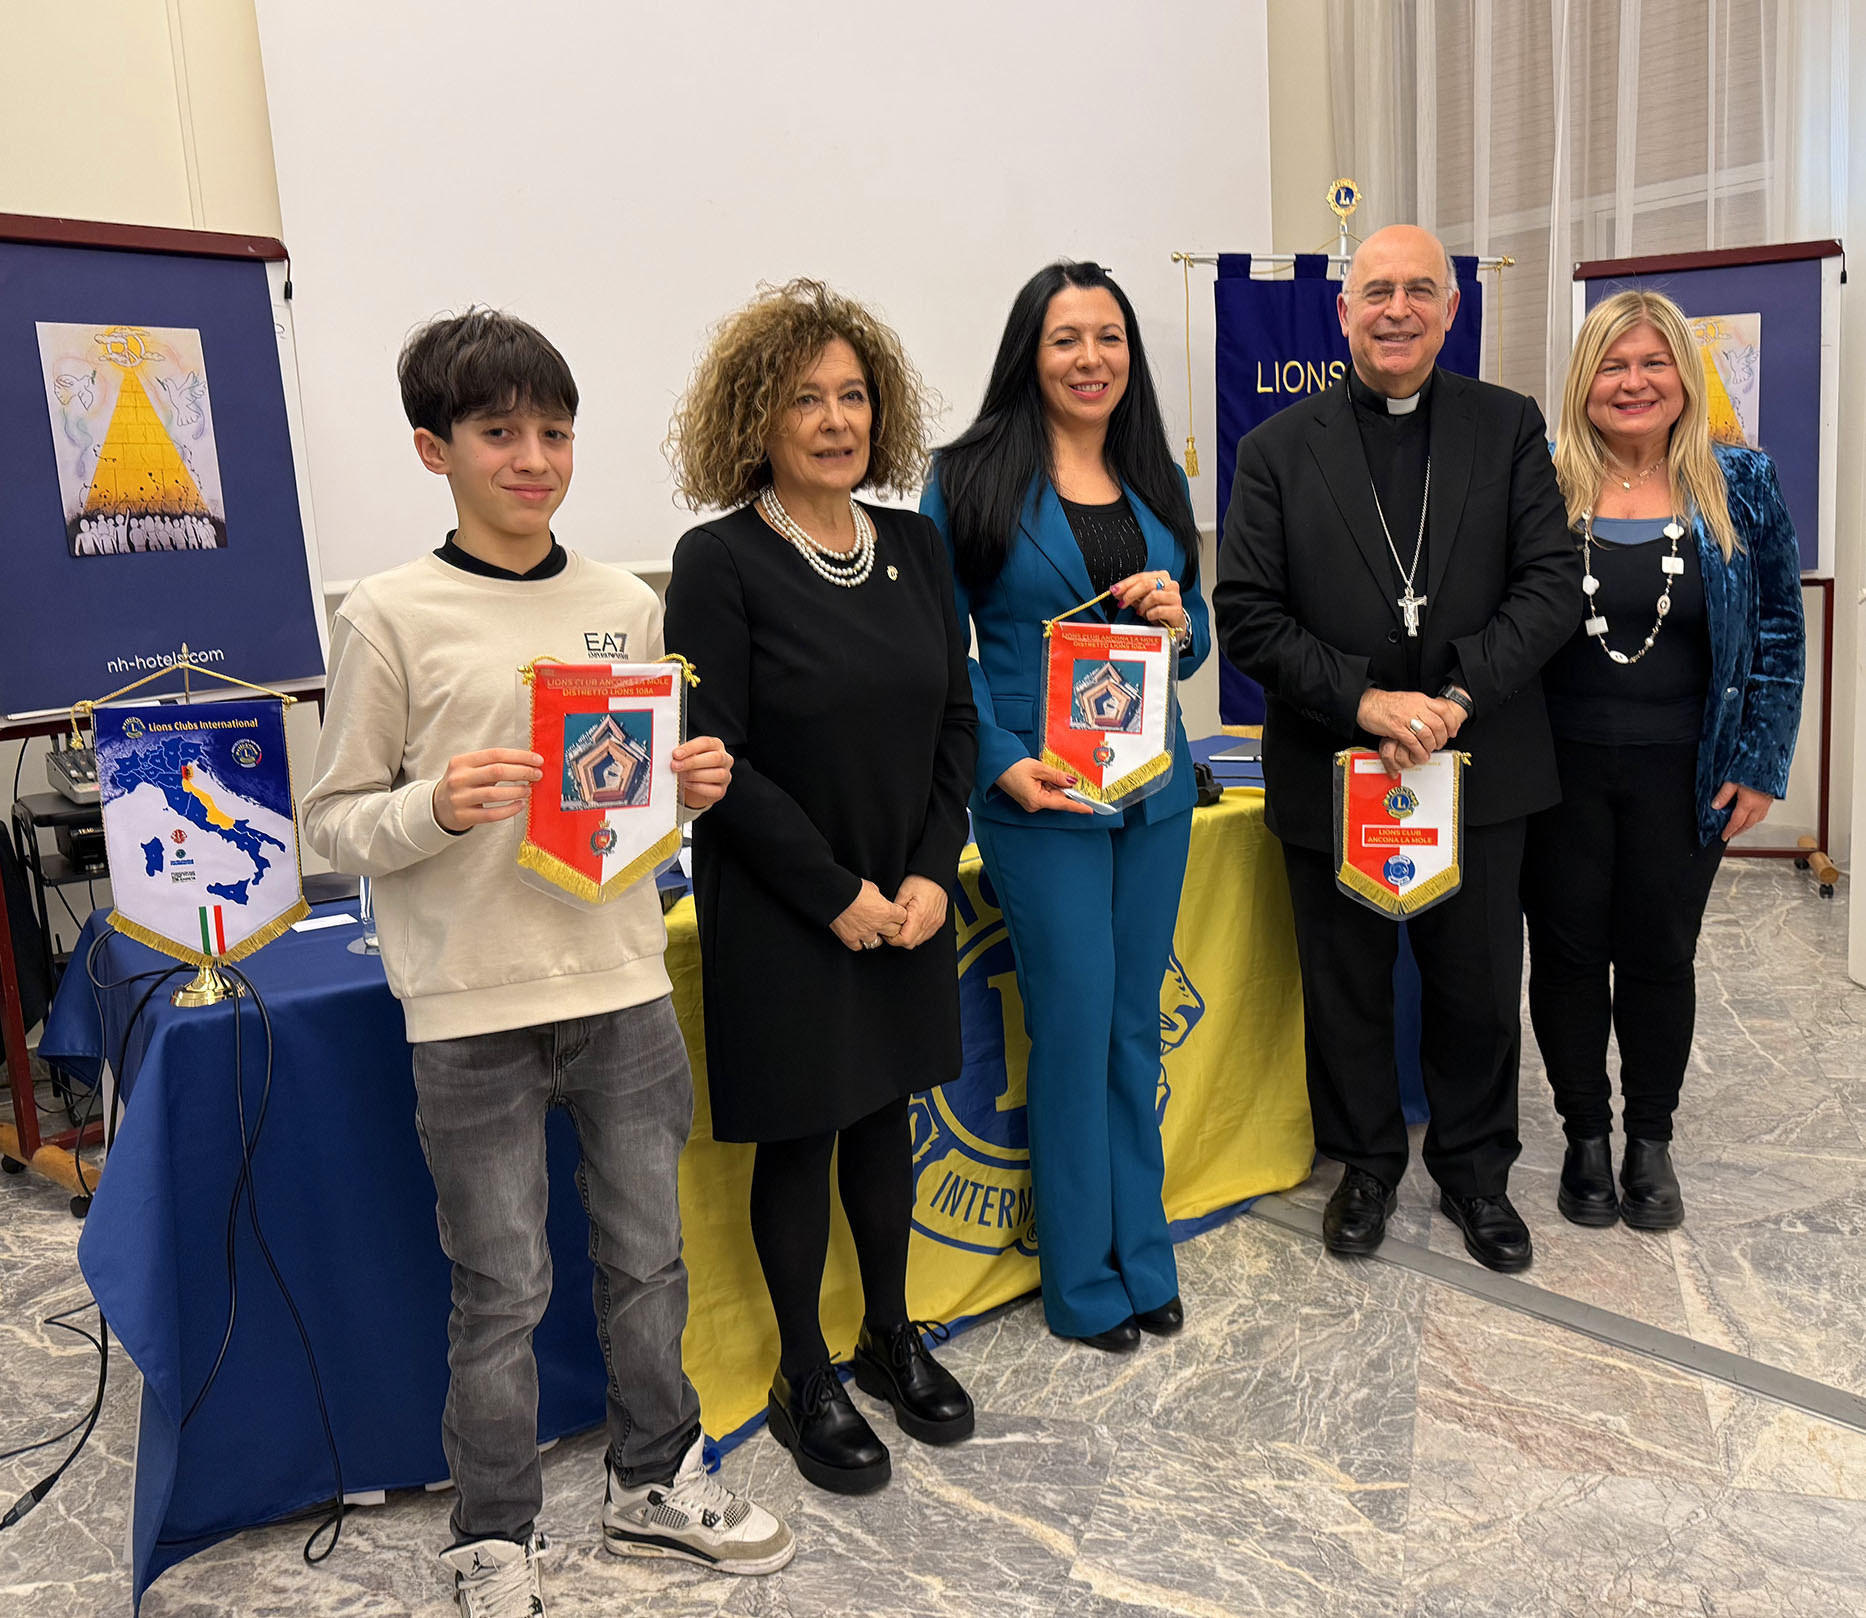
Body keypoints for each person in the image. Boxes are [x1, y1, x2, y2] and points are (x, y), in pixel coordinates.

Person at [304, 310, 793, 1618]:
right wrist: (433, 808)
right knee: (501, 1284)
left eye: (555, 431)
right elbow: (330, 818)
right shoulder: (390, 617)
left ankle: (652, 1480)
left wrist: (687, 788)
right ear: (434, 448)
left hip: (622, 983)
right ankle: (494, 1530)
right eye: (499, 432)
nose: (533, 458)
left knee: (647, 1260)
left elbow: (617, 804)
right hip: (469, 1005)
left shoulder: (623, 606)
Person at [1216, 225, 1581, 1274]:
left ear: (1451, 308)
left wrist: (1456, 695)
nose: (1398, 309)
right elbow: (1246, 610)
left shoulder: (1507, 428)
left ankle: (1474, 1173)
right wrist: (1369, 702)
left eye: (1421, 289)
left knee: (1474, 982)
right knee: (1348, 980)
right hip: (1339, 768)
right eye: (1377, 290)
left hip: (1481, 765)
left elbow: (1549, 584)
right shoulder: (1278, 448)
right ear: (1343, 312)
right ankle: (1367, 1164)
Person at [663, 281, 978, 1494]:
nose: (836, 420)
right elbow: (714, 755)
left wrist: (925, 870)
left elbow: (956, 718)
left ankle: (888, 1335)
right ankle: (805, 1372)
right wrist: (837, 891)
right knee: (800, 1141)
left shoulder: (914, 544)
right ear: (759, 414)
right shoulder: (719, 559)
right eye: (807, 398)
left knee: (885, 1116)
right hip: (785, 906)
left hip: (904, 896)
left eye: (853, 396)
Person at [920, 261, 1210, 1352]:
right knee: (1076, 1027)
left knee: (1136, 1031)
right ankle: (1083, 1280)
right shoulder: (969, 478)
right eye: (1066, 340)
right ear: (1029, 356)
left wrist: (1181, 620)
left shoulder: (1155, 476)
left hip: (1153, 798)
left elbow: (1196, 643)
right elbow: (937, 654)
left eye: (1109, 338)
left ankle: (1146, 1253)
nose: (1091, 359)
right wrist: (997, 763)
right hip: (1039, 801)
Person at [1527, 289, 1805, 1230]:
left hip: (1687, 776)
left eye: (1653, 364)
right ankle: (1585, 1140)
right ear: (1585, 381)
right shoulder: (1542, 483)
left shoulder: (1742, 482)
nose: (1634, 382)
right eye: (1613, 364)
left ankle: (1649, 1140)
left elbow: (1777, 629)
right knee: (1566, 958)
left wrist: (1764, 762)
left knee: (1657, 956)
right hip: (1554, 775)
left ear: (1684, 377)